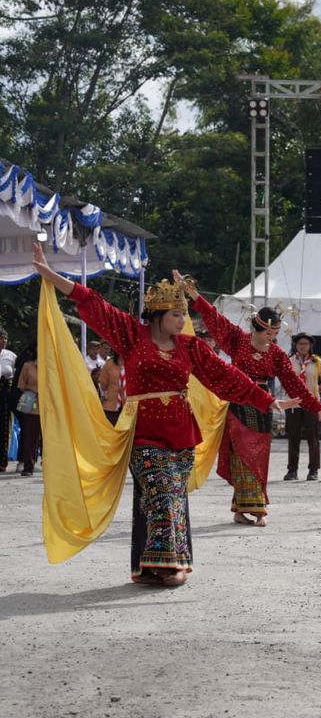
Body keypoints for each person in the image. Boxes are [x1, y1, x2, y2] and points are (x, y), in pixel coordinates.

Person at [32, 243, 296, 585]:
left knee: (172, 495)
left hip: (181, 433)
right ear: (158, 314)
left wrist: (263, 398)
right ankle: (167, 565)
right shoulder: (130, 335)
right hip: (142, 431)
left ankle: (157, 564)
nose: (183, 320)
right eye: (177, 314)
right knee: (160, 491)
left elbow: (224, 376)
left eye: (185, 314)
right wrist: (49, 274)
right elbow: (92, 302)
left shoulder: (189, 346)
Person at [181, 274, 321, 527]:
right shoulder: (237, 340)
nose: (273, 337)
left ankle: (242, 509)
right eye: (270, 332)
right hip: (239, 403)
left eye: (277, 332)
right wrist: (193, 295)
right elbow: (215, 320)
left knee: (259, 454)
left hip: (264, 407)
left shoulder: (278, 355)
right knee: (240, 454)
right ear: (258, 328)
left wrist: (316, 407)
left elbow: (294, 384)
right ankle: (256, 509)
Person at [285, 333, 321, 481]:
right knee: (293, 438)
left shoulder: (317, 362)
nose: (303, 346)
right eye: (300, 344)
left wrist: (314, 391)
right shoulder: (289, 361)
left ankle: (313, 470)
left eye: (306, 344)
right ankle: (292, 470)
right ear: (296, 346)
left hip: (312, 405)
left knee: (313, 438)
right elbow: (284, 380)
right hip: (294, 404)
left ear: (310, 346)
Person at [15, 347, 39, 477]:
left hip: (48, 406)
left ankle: (48, 464)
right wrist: (32, 392)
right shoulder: (27, 366)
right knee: (30, 436)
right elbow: (21, 385)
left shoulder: (52, 366)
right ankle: (28, 466)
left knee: (48, 438)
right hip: (32, 404)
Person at [0, 326, 14, 472]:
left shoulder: (11, 356)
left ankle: (2, 461)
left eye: (5, 338)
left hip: (4, 394)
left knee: (4, 427)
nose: (3, 341)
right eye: (1, 338)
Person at [98, 351, 125, 426]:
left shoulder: (133, 362)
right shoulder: (109, 364)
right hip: (111, 406)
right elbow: (103, 384)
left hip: (129, 407)